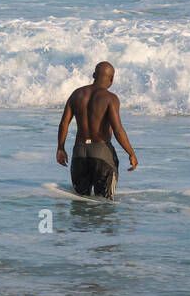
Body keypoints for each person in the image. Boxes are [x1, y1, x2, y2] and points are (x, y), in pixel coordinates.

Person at [56, 62, 137, 199]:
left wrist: (60, 148)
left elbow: (64, 123)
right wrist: (131, 153)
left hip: (79, 153)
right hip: (102, 152)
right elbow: (117, 129)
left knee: (81, 202)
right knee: (104, 204)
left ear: (94, 75)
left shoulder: (77, 94)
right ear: (111, 79)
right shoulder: (110, 98)